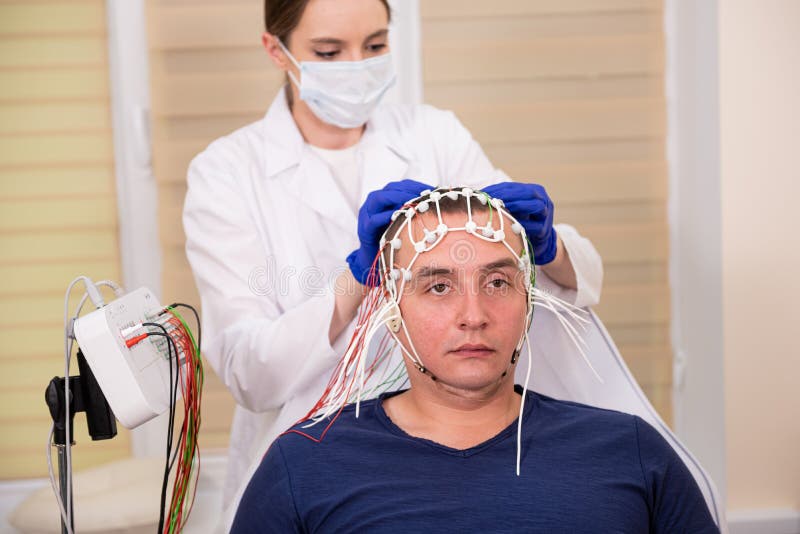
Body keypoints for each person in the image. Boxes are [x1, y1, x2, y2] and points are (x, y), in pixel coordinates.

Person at [182, 0, 604, 509]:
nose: (357, 66)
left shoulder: (433, 135)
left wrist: (548, 245)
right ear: (276, 49)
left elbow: (575, 277)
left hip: (461, 435)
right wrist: (356, 279)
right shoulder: (227, 173)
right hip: (319, 452)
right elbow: (250, 373)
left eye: (375, 45)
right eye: (329, 52)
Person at [230, 188, 719, 533]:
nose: (473, 315)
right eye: (439, 287)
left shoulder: (630, 451)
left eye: (498, 283)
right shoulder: (304, 465)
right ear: (391, 311)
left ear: (529, 302)